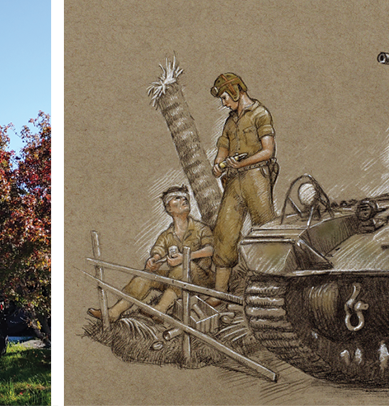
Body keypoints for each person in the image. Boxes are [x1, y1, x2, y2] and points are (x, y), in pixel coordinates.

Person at [88, 186, 215, 322]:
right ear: (169, 208)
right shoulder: (166, 235)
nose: (183, 199)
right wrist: (153, 261)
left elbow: (210, 250)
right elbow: (158, 251)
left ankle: (160, 310)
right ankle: (113, 312)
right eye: (177, 197)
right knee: (144, 276)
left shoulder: (200, 228)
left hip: (201, 280)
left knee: (181, 268)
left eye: (184, 197)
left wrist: (185, 258)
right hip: (177, 280)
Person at [207, 72, 276, 295]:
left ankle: (270, 289)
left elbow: (268, 151)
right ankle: (219, 294)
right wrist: (218, 166)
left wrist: (242, 162)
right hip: (234, 181)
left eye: (225, 97)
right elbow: (221, 152)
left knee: (265, 232)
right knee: (224, 234)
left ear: (237, 91)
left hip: (257, 178)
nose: (224, 102)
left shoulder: (260, 114)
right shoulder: (229, 122)